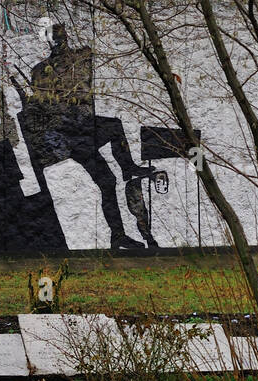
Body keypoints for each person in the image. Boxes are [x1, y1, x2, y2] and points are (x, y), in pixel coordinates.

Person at [18, 24, 157, 248]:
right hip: (72, 134)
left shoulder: (56, 65)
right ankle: (128, 168)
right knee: (113, 127)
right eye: (60, 38)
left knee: (108, 181)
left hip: (78, 136)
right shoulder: (65, 63)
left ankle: (117, 234)